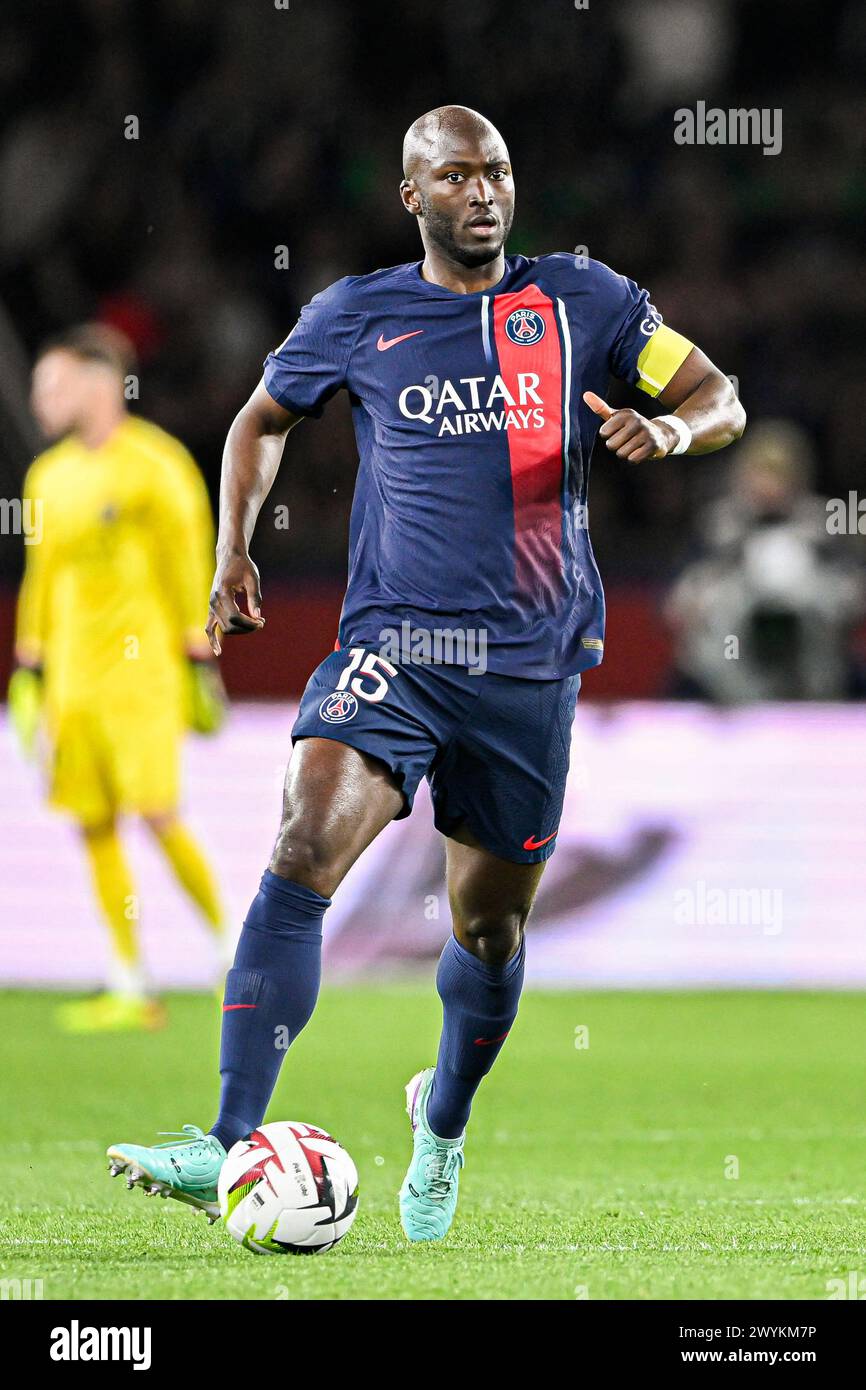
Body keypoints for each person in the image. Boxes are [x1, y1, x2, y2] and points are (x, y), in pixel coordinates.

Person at [107, 106, 745, 1239]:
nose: (484, 192)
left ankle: (440, 1119)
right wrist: (232, 554)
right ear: (413, 197)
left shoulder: (582, 301)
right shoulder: (356, 314)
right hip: (392, 648)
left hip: (526, 668)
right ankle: (224, 1141)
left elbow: (715, 395)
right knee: (305, 840)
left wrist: (676, 437)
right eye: (456, 176)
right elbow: (258, 422)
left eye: (497, 170)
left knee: (488, 930)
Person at [9, 324, 230, 1032]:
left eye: (53, 385)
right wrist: (29, 661)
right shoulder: (48, 475)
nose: (41, 399)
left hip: (141, 675)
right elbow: (42, 579)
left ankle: (237, 953)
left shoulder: (156, 465)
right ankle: (131, 981)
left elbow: (191, 559)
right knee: (92, 825)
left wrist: (201, 651)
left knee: (158, 814)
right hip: (71, 681)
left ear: (98, 386)